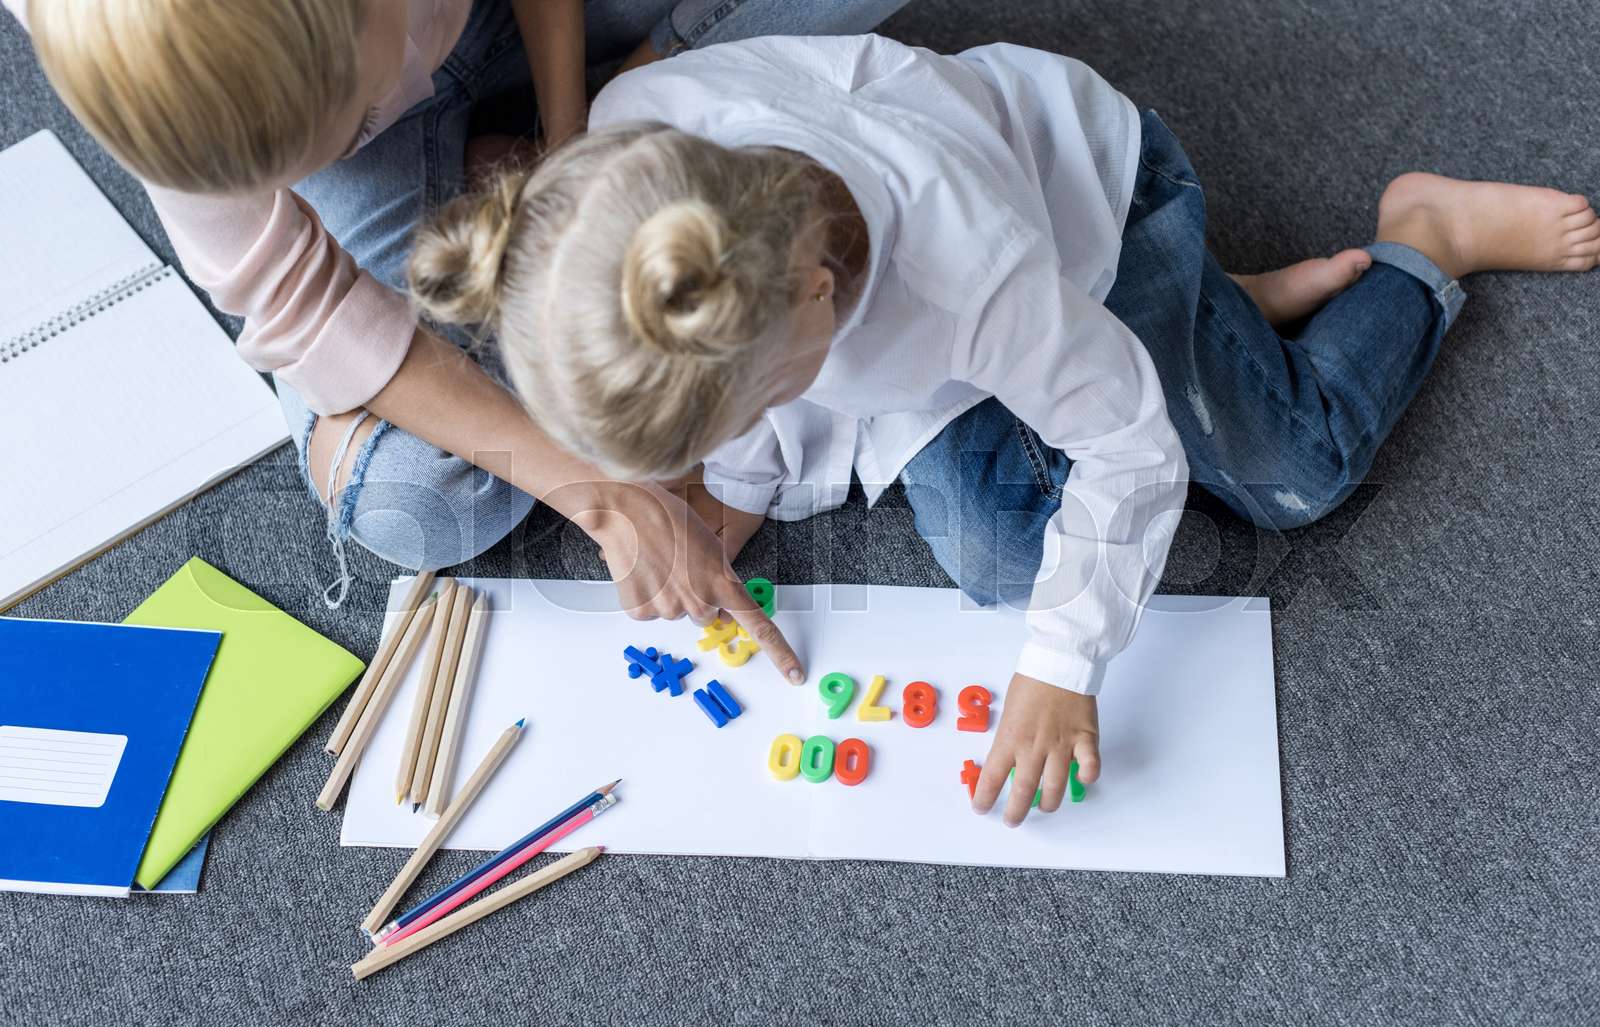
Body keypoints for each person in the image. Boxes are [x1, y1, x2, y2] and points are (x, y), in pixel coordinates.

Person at [404, 34, 1596, 825]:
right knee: (988, 551)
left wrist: (1061, 667)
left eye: (759, 410)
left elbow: (1132, 447)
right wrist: (728, 504)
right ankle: (1216, 316)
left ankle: (1422, 240)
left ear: (813, 299)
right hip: (943, 318)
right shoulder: (645, 148)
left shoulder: (968, 279)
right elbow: (779, 388)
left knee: (1295, 473)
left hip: (1092, 219)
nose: (752, 436)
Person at [8, 1, 904, 681]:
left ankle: (529, 157)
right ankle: (505, 174)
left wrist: (572, 156)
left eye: (351, 114)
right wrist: (599, 495)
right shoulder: (145, 71)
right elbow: (298, 296)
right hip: (380, 151)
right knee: (417, 497)